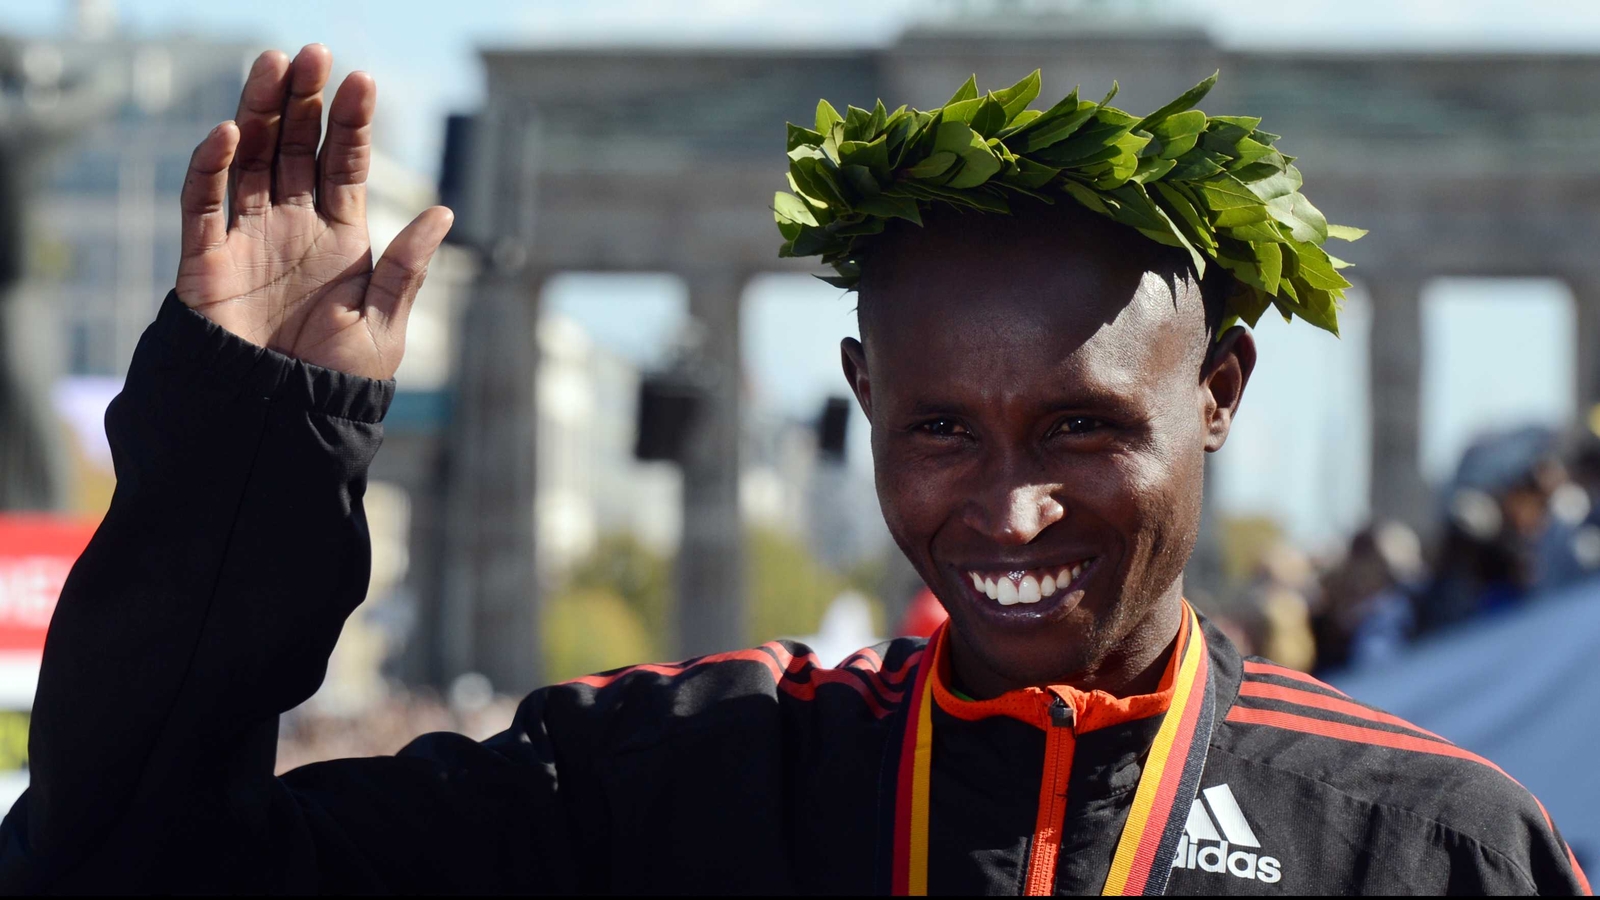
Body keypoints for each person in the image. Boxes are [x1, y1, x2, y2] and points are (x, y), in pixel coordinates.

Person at [0, 46, 1588, 895]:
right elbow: (132, 866)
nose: (1010, 506)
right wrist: (255, 443)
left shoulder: (1429, 847)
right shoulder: (672, 785)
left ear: (1220, 392)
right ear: (862, 400)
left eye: (1086, 424)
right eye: (940, 428)